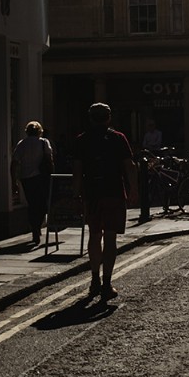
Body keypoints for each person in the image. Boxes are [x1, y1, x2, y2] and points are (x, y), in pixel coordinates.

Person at [73, 102, 138, 303]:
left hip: (92, 194)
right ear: (109, 118)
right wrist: (134, 191)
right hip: (114, 193)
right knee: (110, 238)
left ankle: (94, 280)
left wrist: (76, 196)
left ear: (90, 118)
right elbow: (129, 166)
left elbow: (77, 171)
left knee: (94, 235)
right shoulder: (118, 139)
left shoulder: (82, 140)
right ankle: (107, 284)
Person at [11, 121, 54, 247]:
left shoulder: (21, 144)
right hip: (41, 177)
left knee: (32, 203)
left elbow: (14, 163)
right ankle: (36, 226)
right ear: (39, 131)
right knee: (42, 204)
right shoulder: (43, 142)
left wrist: (14, 181)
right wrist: (53, 174)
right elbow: (49, 160)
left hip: (26, 178)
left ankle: (34, 227)